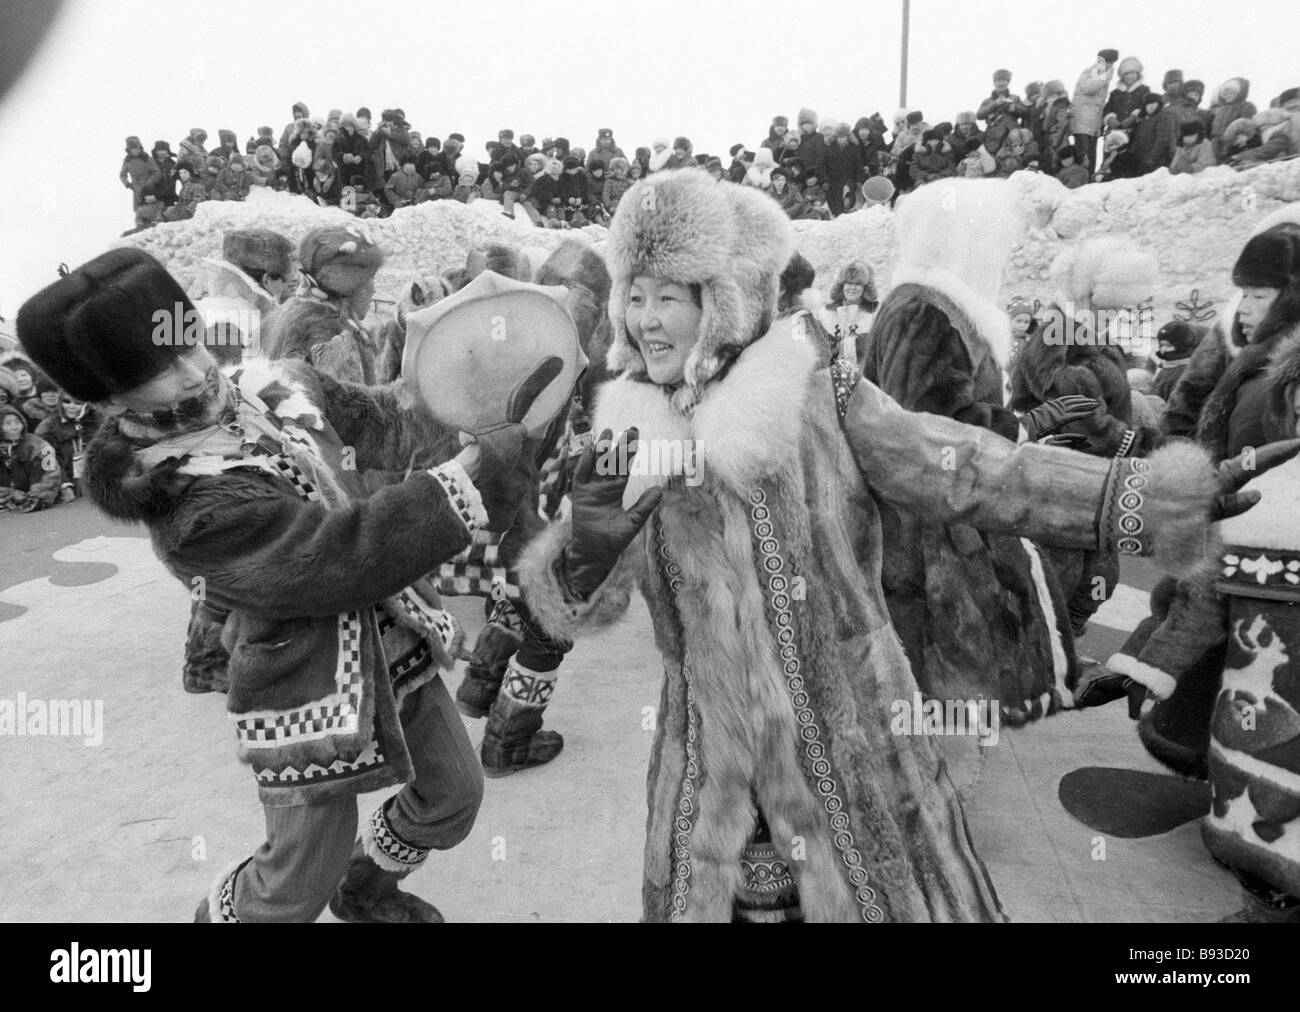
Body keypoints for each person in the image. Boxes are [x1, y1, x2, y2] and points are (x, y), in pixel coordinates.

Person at [513, 169, 1276, 922]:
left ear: (722, 303)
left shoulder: (820, 402)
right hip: (711, 768)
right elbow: (580, 602)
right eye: (634, 295)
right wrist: (583, 552)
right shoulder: (624, 434)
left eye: (667, 297)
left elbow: (976, 470)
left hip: (856, 747)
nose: (645, 319)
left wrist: (1140, 497)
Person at [16, 247, 544, 922]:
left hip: (392, 636)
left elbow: (387, 422)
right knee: (297, 882)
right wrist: (470, 476)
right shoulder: (186, 502)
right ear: (111, 397)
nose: (192, 372)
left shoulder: (278, 385)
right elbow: (337, 561)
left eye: (189, 344)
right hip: (304, 681)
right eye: (158, 371)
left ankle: (368, 886)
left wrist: (474, 391)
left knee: (453, 797)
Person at [0, 403, 61, 512]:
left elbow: (51, 473)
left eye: (17, 422)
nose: (14, 427)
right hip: (8, 496)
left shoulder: (38, 445)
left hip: (33, 494)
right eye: (8, 423)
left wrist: (37, 497)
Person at [35, 392, 95, 502]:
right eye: (66, 401)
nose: (71, 406)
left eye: (77, 403)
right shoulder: (48, 426)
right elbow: (49, 461)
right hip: (68, 483)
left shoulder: (97, 421)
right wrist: (65, 485)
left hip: (96, 482)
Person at [817, 261, 878, 363]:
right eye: (849, 283)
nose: (852, 288)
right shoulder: (825, 314)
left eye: (858, 284)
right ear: (842, 286)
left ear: (865, 288)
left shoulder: (872, 315)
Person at [1069, 48, 1119, 173]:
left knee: (1091, 158)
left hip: (1092, 124)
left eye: (1111, 62)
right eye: (1106, 61)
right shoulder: (1092, 72)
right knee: (1084, 158)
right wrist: (1107, 75)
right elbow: (1090, 88)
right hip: (1082, 122)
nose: (1108, 65)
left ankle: (1088, 184)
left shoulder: (1100, 73)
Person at [1103, 57, 1150, 131]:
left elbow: (1147, 107)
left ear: (1137, 74)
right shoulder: (1115, 93)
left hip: (1137, 130)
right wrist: (1110, 119)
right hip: (1116, 131)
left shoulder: (1144, 90)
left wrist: (1134, 117)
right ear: (1122, 76)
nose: (1130, 76)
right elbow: (1108, 109)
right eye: (1126, 74)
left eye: (1132, 73)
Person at [119, 136, 161, 211]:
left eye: (136, 148)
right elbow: (122, 174)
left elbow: (156, 172)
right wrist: (127, 183)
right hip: (136, 188)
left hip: (149, 189)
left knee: (152, 207)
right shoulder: (127, 161)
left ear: (140, 147)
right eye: (132, 148)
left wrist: (149, 183)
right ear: (129, 150)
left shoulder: (147, 158)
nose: (135, 150)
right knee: (138, 210)